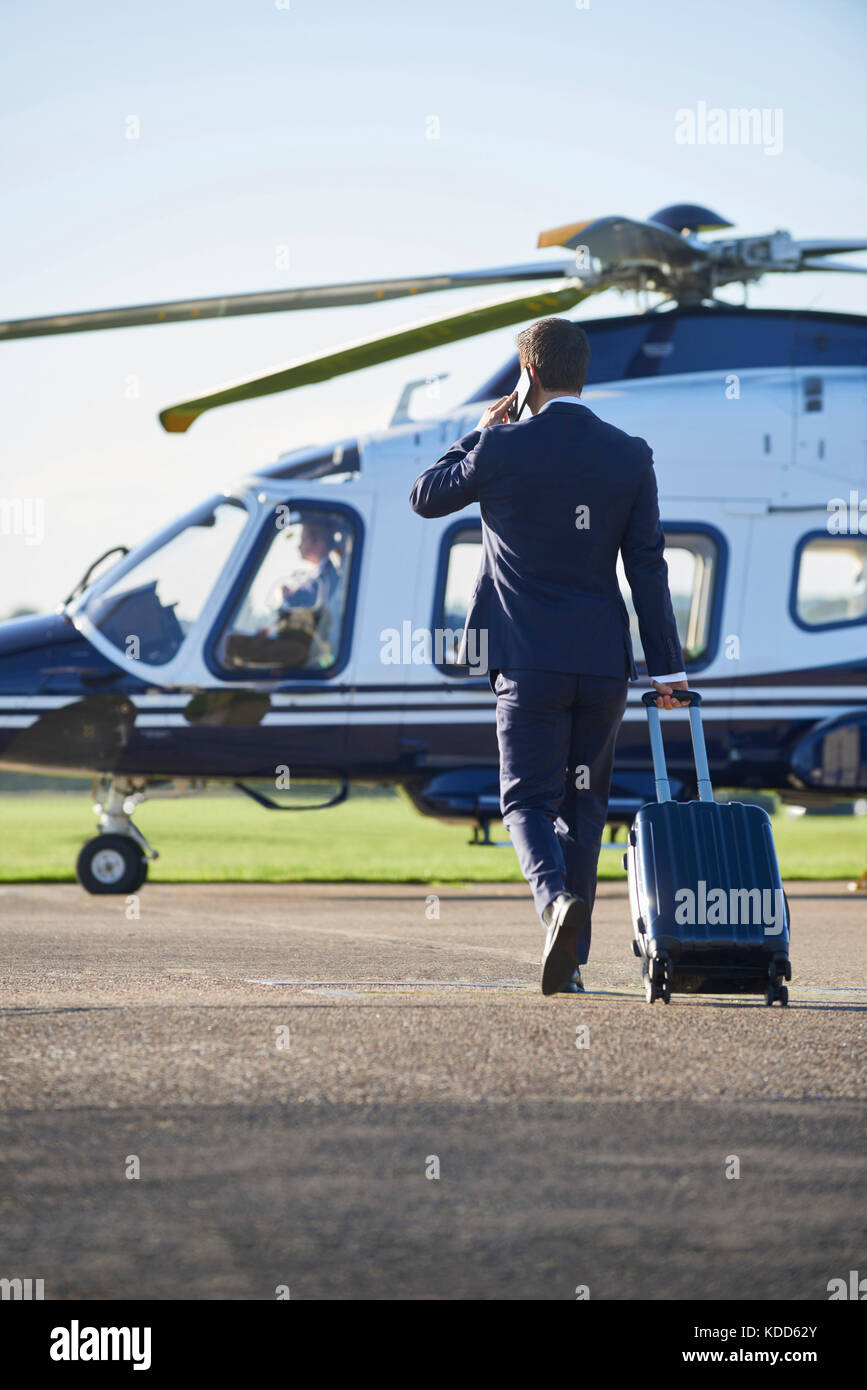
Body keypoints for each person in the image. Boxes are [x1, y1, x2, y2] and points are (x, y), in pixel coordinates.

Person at [409, 316, 689, 996]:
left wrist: (482, 427)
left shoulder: (500, 448)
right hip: (601, 665)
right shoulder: (629, 454)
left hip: (526, 661)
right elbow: (647, 568)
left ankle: (553, 904)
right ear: (581, 372)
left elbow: (425, 496)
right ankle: (573, 958)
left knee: (525, 802)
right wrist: (669, 670)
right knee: (583, 808)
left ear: (527, 374)